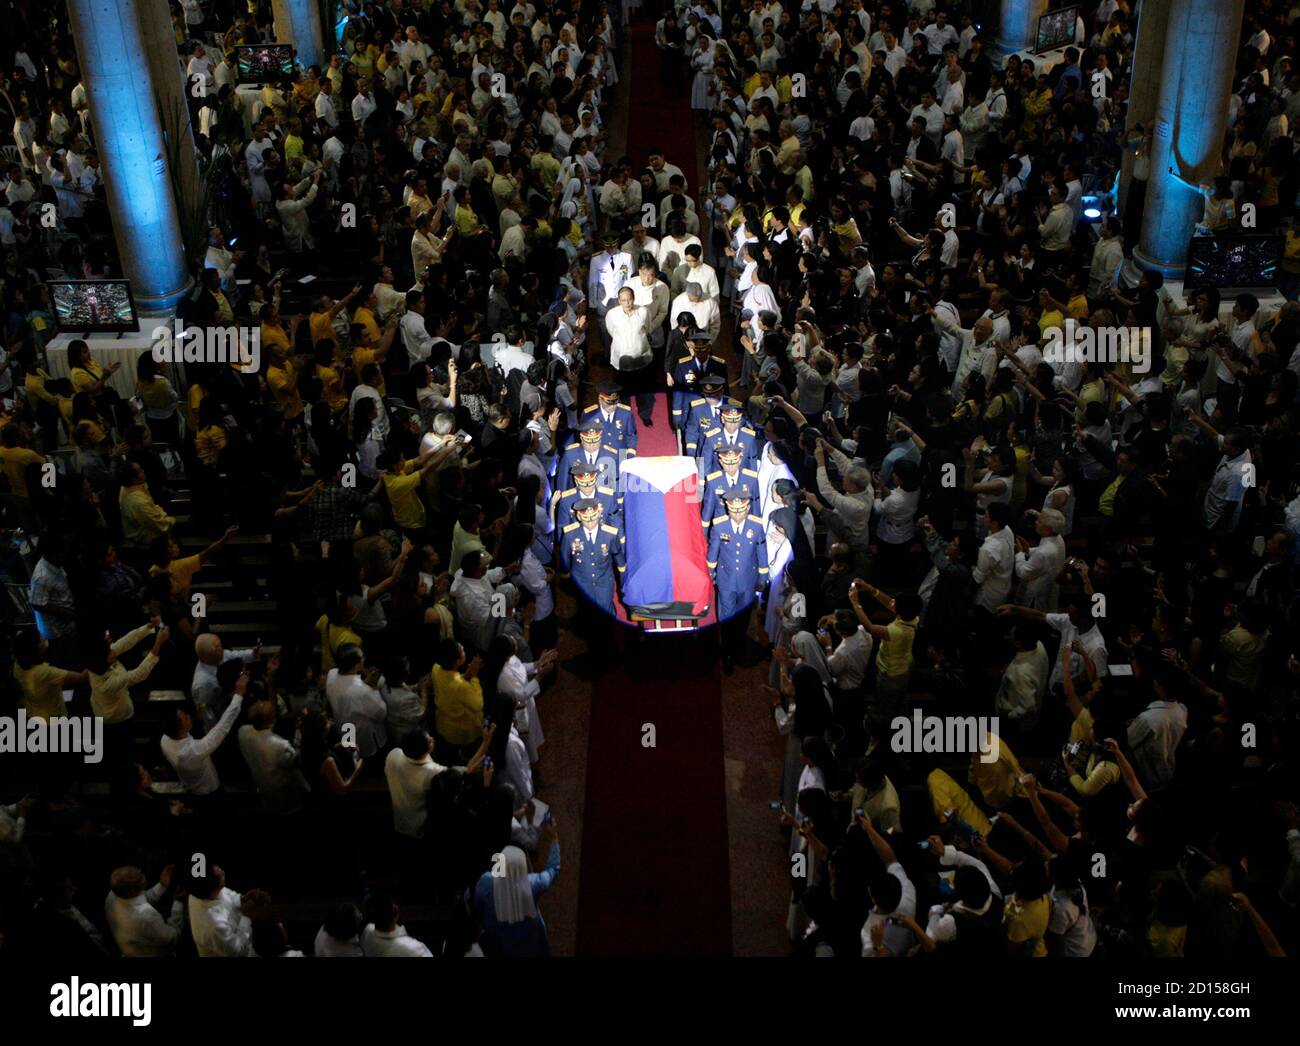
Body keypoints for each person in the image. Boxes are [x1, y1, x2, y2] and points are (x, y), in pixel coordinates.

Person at [473, 827, 561, 957]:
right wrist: (554, 838)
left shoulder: (485, 882)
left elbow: (477, 910)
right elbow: (553, 869)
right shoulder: (533, 884)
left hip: (494, 949)